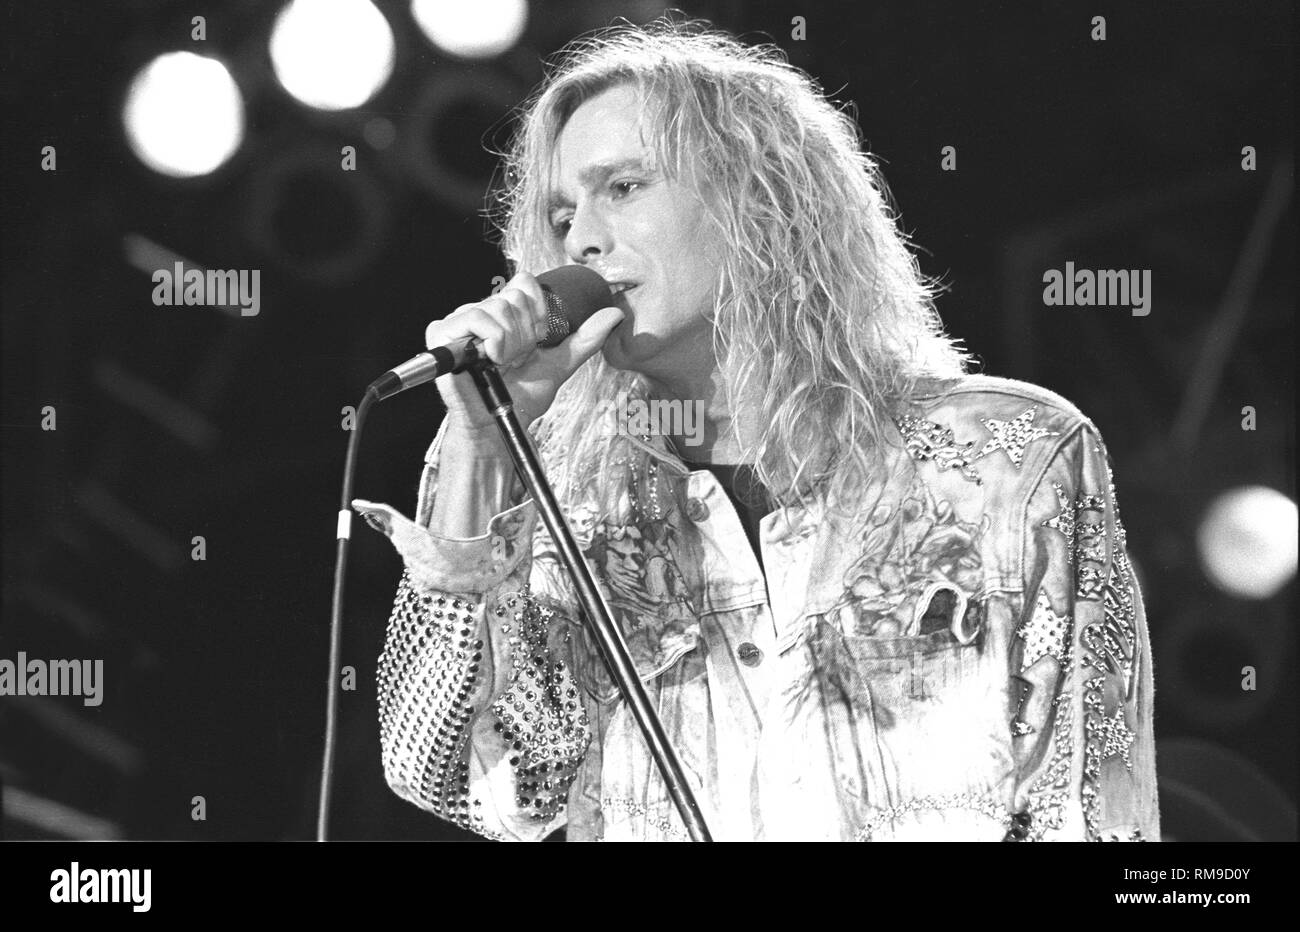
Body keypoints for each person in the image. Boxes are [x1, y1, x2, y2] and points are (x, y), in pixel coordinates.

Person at [352, 20, 1159, 841]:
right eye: (562, 216)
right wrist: (483, 449)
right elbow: (453, 774)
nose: (582, 239)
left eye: (624, 187)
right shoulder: (568, 504)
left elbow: (1091, 808)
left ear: (758, 198)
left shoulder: (1006, 459)